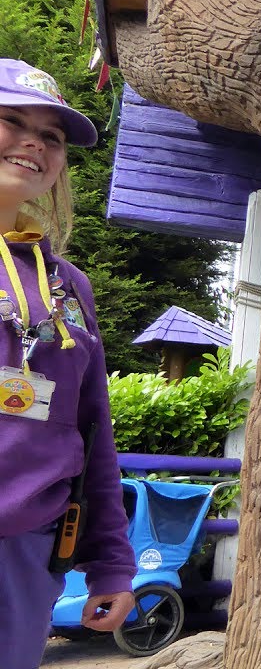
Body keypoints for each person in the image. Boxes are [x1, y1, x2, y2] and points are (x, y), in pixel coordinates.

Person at [0, 58, 136, 667]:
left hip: (26, 555)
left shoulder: (67, 286)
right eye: (10, 121)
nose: (35, 142)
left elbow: (93, 428)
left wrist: (111, 560)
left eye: (52, 136)